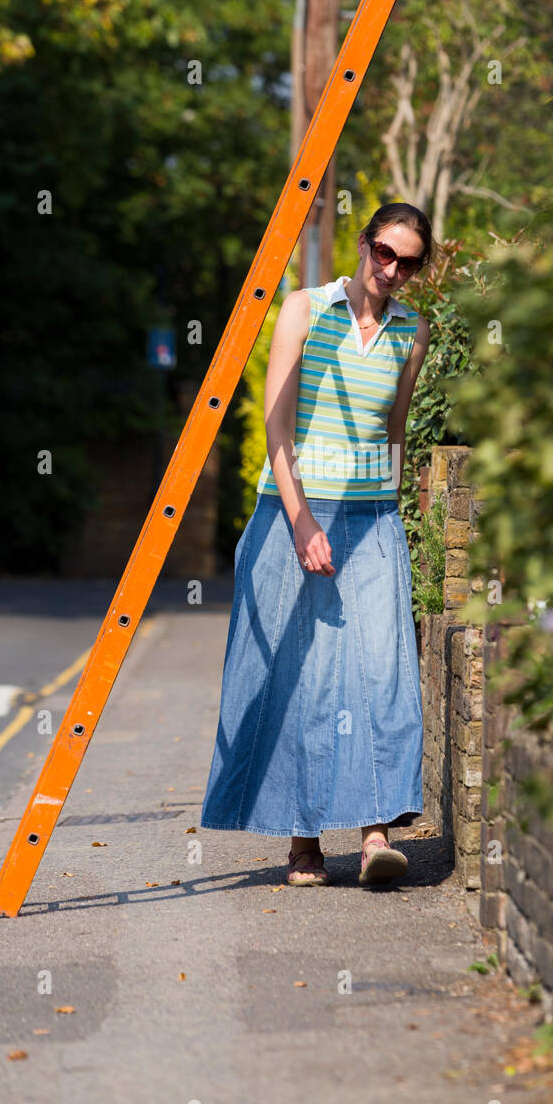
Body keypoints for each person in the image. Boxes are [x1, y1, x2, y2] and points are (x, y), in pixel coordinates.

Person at [198, 202, 433, 886]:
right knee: (297, 677)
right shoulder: (305, 309)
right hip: (291, 514)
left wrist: (388, 519)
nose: (392, 270)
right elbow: (277, 430)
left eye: (409, 262)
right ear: (364, 244)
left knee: (381, 672)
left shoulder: (411, 331)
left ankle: (374, 835)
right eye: (384, 253)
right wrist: (302, 521)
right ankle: (302, 844)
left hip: (371, 519)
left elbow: (394, 431)